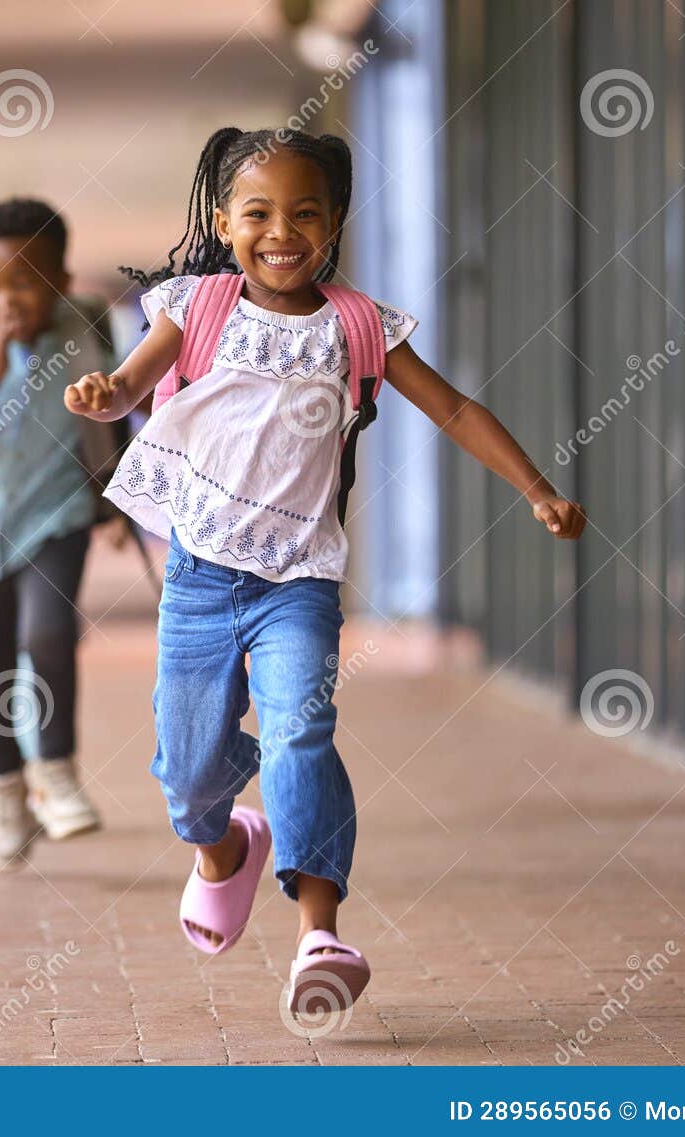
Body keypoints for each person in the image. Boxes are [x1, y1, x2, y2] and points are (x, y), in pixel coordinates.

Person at [65, 127, 586, 1018]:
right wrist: (107, 395)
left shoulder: (359, 326)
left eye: (305, 213)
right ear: (225, 222)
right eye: (259, 213)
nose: (282, 231)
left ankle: (320, 932)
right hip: (197, 579)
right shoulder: (198, 308)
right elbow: (130, 381)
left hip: (297, 581)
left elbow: (454, 409)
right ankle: (225, 845)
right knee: (190, 783)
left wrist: (536, 486)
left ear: (336, 221)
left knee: (301, 736)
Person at [0, 198, 113, 869]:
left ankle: (56, 775)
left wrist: (114, 505)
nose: (6, 299)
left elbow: (110, 418)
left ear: (61, 279)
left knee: (48, 634)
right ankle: (6, 792)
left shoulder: (86, 328)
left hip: (55, 515)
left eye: (24, 283)